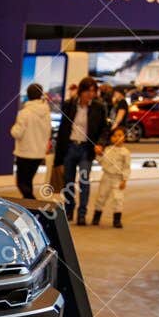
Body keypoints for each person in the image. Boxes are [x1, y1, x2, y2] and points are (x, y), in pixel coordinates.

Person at [53, 76, 108, 225]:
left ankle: (82, 214)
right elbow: (63, 129)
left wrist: (101, 144)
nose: (90, 94)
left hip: (86, 149)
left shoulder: (99, 107)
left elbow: (104, 129)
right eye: (87, 91)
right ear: (81, 91)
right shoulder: (69, 105)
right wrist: (58, 156)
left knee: (84, 181)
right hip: (70, 147)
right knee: (68, 182)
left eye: (93, 91)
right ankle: (69, 211)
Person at [9, 83, 52, 199]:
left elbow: (17, 132)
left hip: (25, 153)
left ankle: (33, 205)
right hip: (39, 153)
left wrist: (12, 129)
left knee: (22, 184)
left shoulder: (25, 113)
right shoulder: (47, 112)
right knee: (28, 183)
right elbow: (48, 131)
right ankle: (30, 207)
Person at [92, 124, 132, 228]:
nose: (117, 138)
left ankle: (117, 219)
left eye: (120, 135)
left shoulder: (126, 152)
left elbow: (127, 167)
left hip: (118, 178)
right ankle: (96, 217)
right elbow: (100, 161)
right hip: (106, 176)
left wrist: (125, 180)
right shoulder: (107, 149)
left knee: (118, 198)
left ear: (125, 137)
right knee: (101, 196)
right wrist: (99, 154)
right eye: (114, 136)